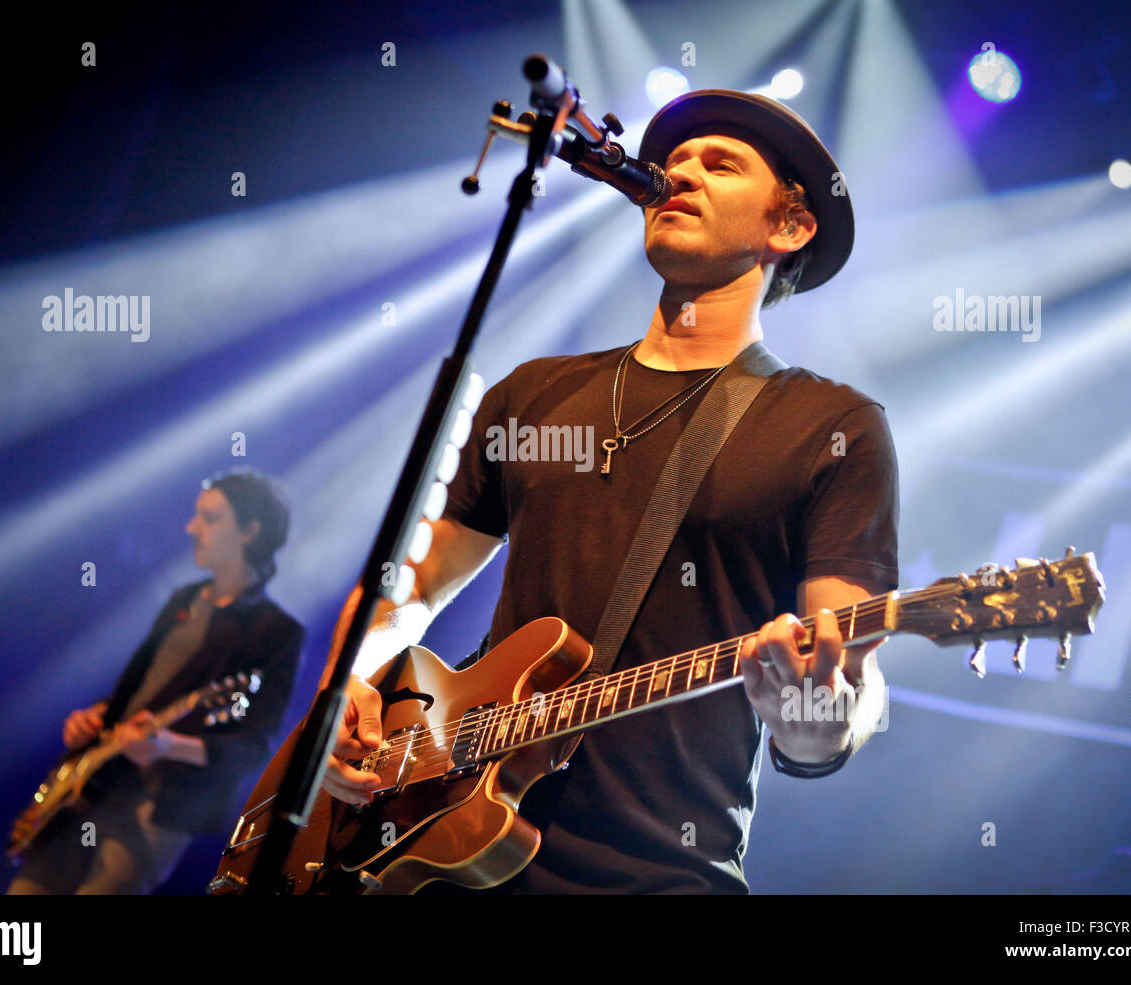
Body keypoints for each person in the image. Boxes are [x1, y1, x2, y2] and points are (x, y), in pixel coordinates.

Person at [322, 90, 899, 893]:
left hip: (658, 870)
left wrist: (816, 716)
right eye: (677, 161)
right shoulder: (536, 394)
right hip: (442, 844)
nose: (682, 173)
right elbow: (410, 586)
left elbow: (840, 668)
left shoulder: (831, 425)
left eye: (720, 163)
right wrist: (346, 690)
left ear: (789, 227)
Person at [8, 469, 304, 894]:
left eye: (209, 517)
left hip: (159, 805)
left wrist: (169, 745)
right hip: (94, 781)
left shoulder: (277, 632)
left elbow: (255, 746)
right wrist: (97, 717)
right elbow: (145, 686)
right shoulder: (184, 599)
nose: (191, 527)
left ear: (250, 530)